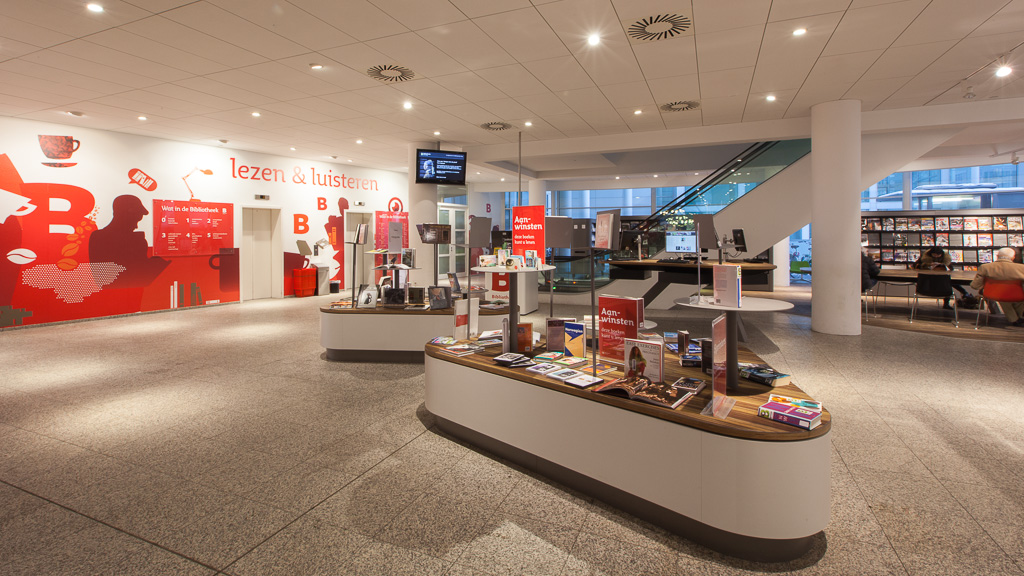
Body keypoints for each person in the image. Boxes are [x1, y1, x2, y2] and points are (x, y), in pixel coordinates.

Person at [970, 247, 1024, 326]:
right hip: (1017, 295)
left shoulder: (985, 267)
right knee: (1017, 299)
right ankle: (1017, 319)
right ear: (1013, 257)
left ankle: (1015, 319)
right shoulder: (1021, 268)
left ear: (997, 256)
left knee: (1003, 296)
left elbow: (975, 286)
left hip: (993, 294)